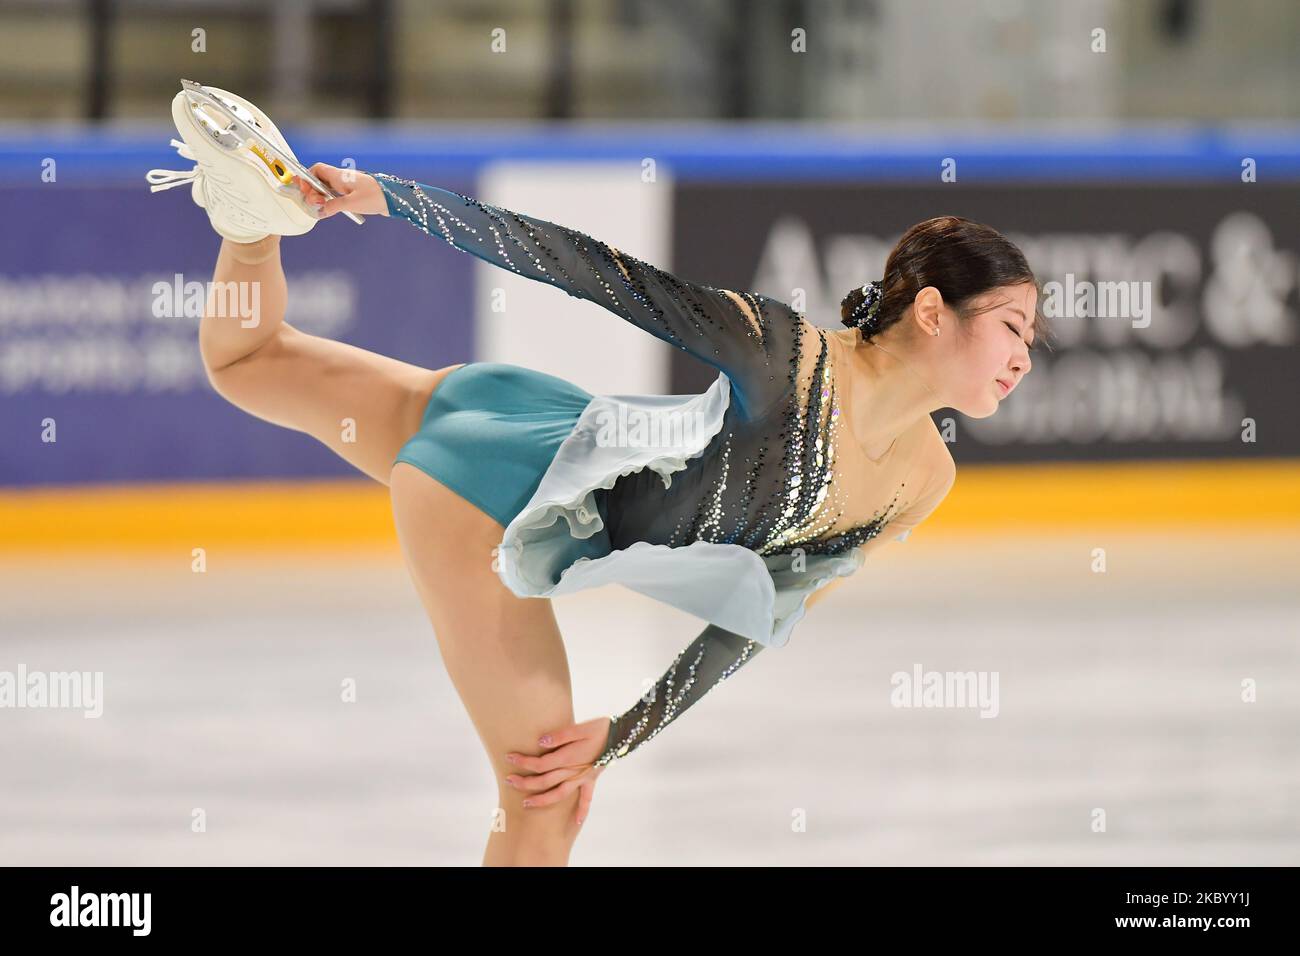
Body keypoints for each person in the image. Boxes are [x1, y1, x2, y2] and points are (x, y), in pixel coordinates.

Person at [148, 91, 1046, 865]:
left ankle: (246, 223)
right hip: (493, 502)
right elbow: (590, 271)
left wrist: (625, 733)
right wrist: (396, 199)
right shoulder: (783, 357)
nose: (1022, 358)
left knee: (249, 358)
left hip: (512, 418)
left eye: (1031, 342)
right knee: (546, 800)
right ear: (932, 313)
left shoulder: (921, 479)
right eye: (1011, 329)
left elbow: (763, 610)